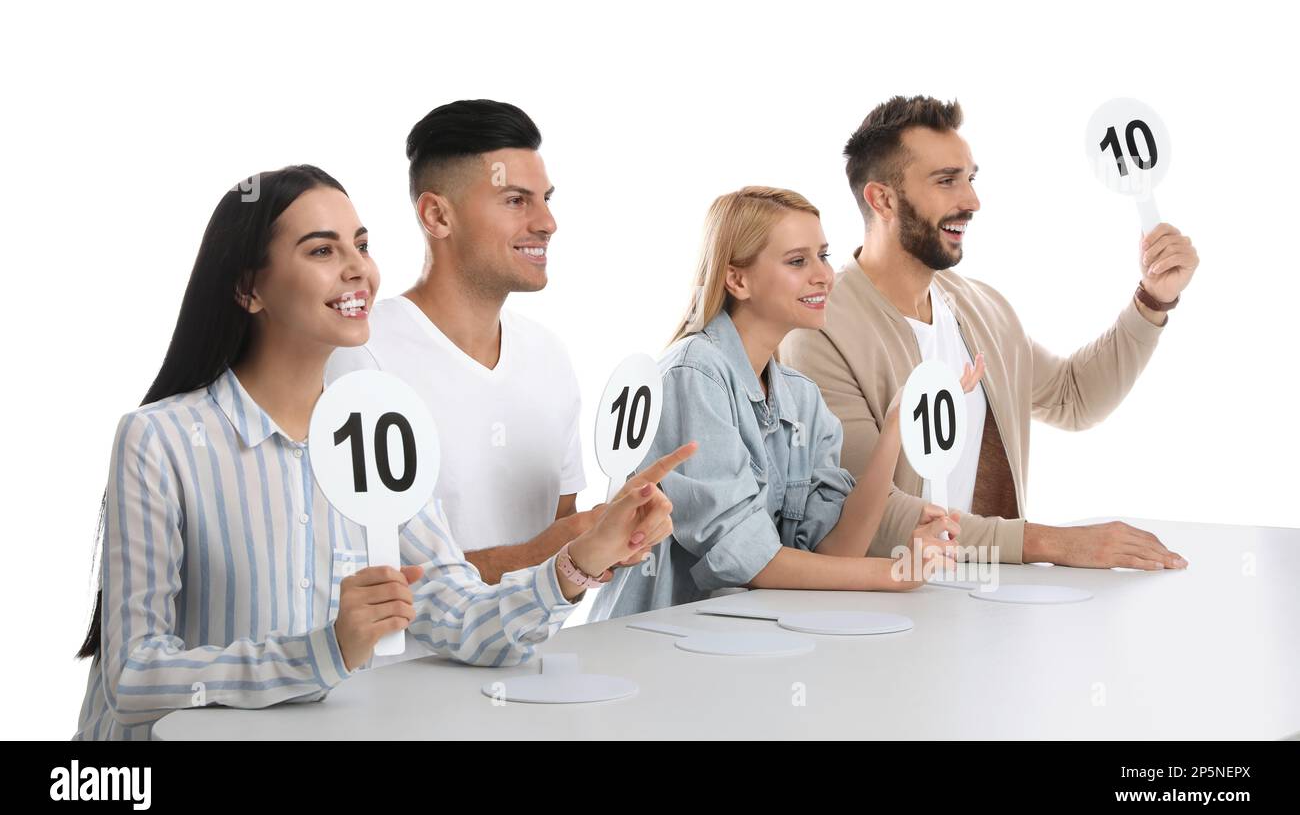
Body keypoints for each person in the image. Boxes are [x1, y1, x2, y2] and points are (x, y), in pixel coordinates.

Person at [73, 164, 692, 739]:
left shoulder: (380, 430)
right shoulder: (161, 440)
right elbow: (132, 676)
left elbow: (466, 619)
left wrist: (579, 561)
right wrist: (325, 650)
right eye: (322, 250)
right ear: (248, 288)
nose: (358, 270)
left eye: (362, 246)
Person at [782, 96, 1199, 570]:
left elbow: (1074, 398)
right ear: (883, 199)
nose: (972, 201)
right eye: (946, 181)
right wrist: (1052, 543)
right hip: (890, 615)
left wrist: (1152, 300)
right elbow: (862, 514)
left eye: (970, 178)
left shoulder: (981, 309)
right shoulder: (818, 329)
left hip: (991, 608)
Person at [592, 186, 969, 621]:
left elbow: (835, 550)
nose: (824, 276)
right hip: (649, 648)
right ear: (737, 280)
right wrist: (893, 573)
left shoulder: (801, 398)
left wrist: (894, 430)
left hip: (735, 648)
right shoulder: (693, 374)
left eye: (824, 256)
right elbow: (746, 559)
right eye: (797, 261)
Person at [327, 100, 594, 589]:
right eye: (516, 200)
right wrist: (557, 551)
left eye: (546, 198)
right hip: (406, 667)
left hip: (538, 662)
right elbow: (358, 575)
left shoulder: (549, 355)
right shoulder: (360, 359)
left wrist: (608, 544)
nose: (546, 222)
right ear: (437, 216)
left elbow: (565, 548)